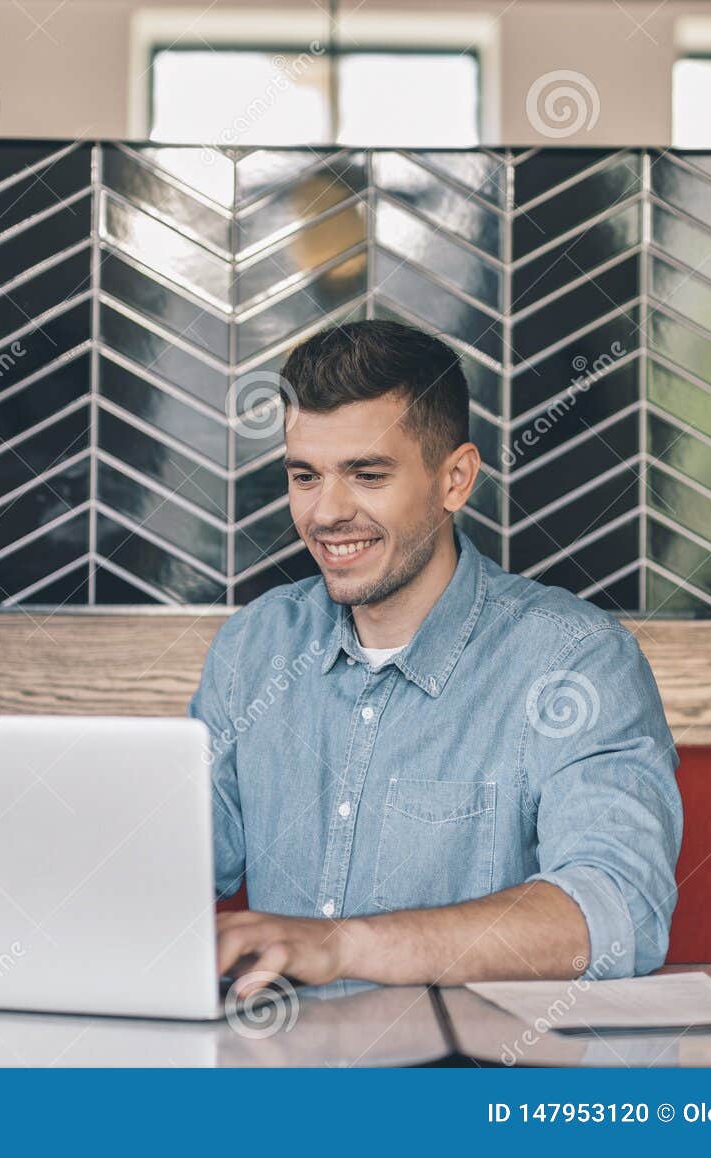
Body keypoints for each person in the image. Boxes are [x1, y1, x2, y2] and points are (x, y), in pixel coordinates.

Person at [194, 319, 682, 995]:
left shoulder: (575, 662)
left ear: (455, 480)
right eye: (305, 475)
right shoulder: (253, 648)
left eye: (367, 474)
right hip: (277, 1072)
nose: (327, 512)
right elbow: (164, 866)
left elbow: (619, 911)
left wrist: (342, 947)